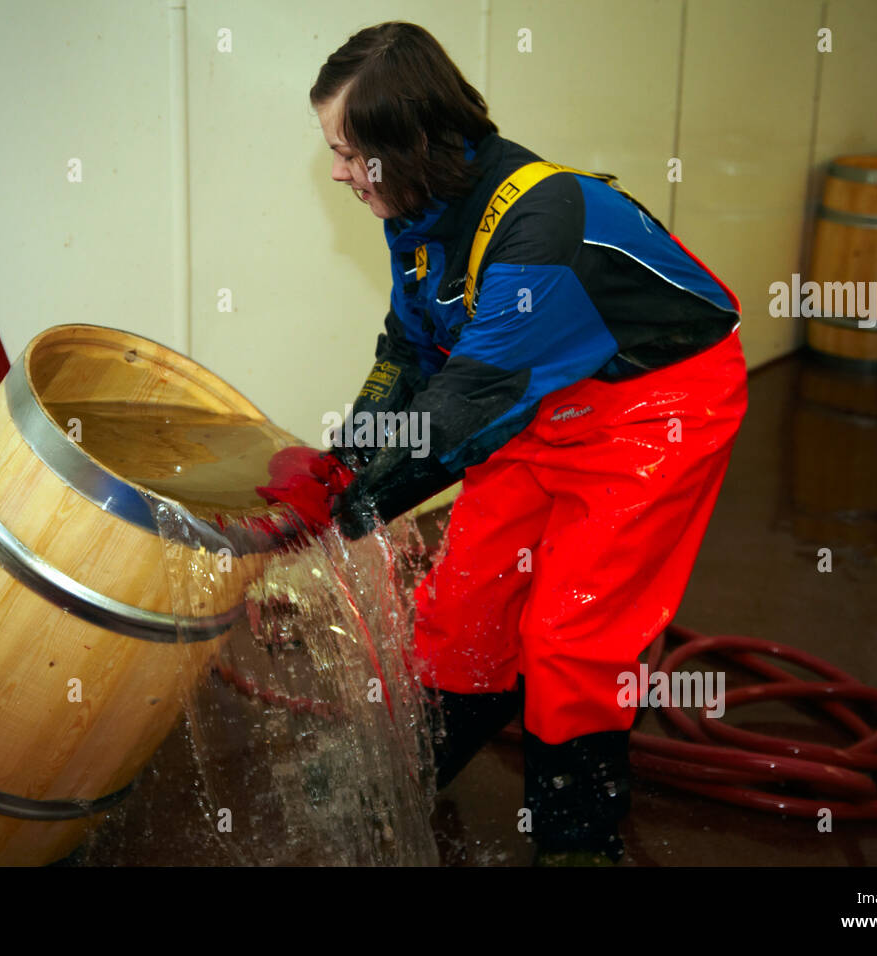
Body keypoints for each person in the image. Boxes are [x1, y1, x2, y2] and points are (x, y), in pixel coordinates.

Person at [256, 21, 748, 865]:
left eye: (348, 152)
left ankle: (578, 839)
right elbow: (411, 354)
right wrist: (343, 460)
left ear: (406, 144)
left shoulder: (542, 229)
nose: (337, 171)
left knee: (571, 633)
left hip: (652, 409)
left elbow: (466, 407)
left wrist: (344, 509)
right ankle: (419, 762)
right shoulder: (418, 205)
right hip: (538, 395)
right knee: (464, 605)